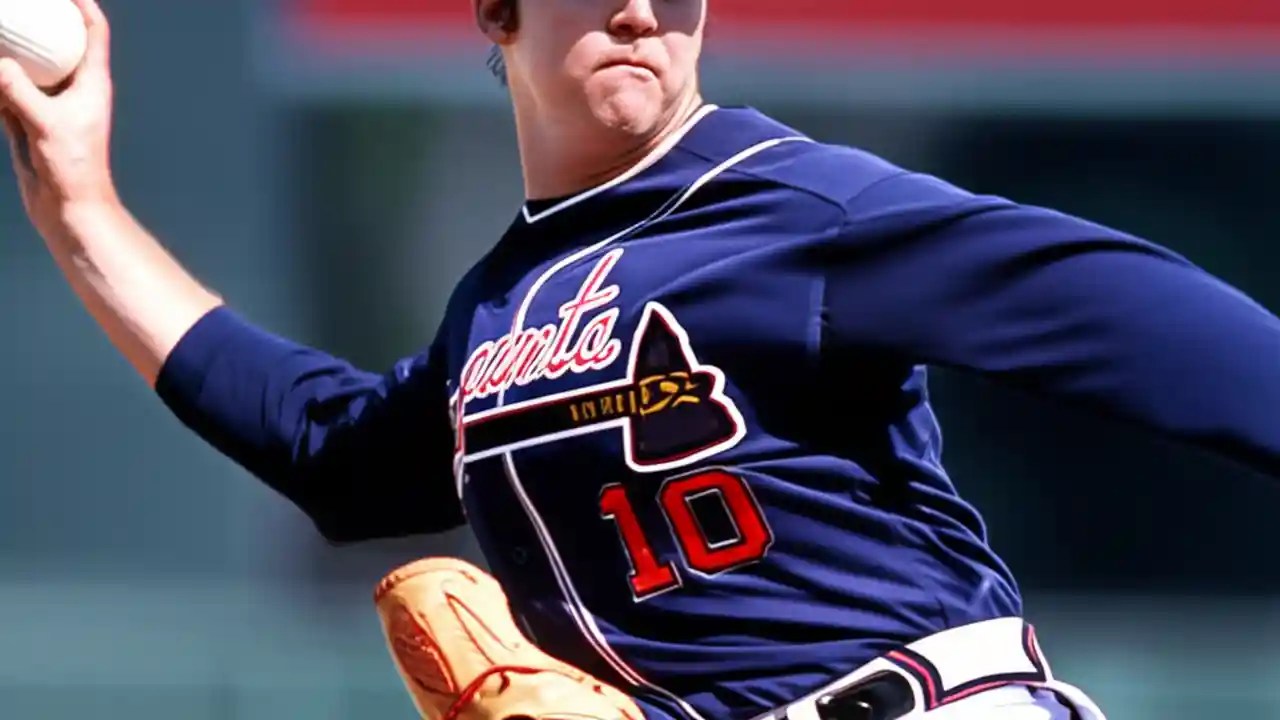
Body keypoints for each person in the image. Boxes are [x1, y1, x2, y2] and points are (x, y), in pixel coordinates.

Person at [5, 0, 1280, 718]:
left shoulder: (796, 211)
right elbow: (332, 453)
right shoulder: (495, 309)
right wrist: (81, 209)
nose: (636, 8)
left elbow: (1155, 325)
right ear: (496, 12)